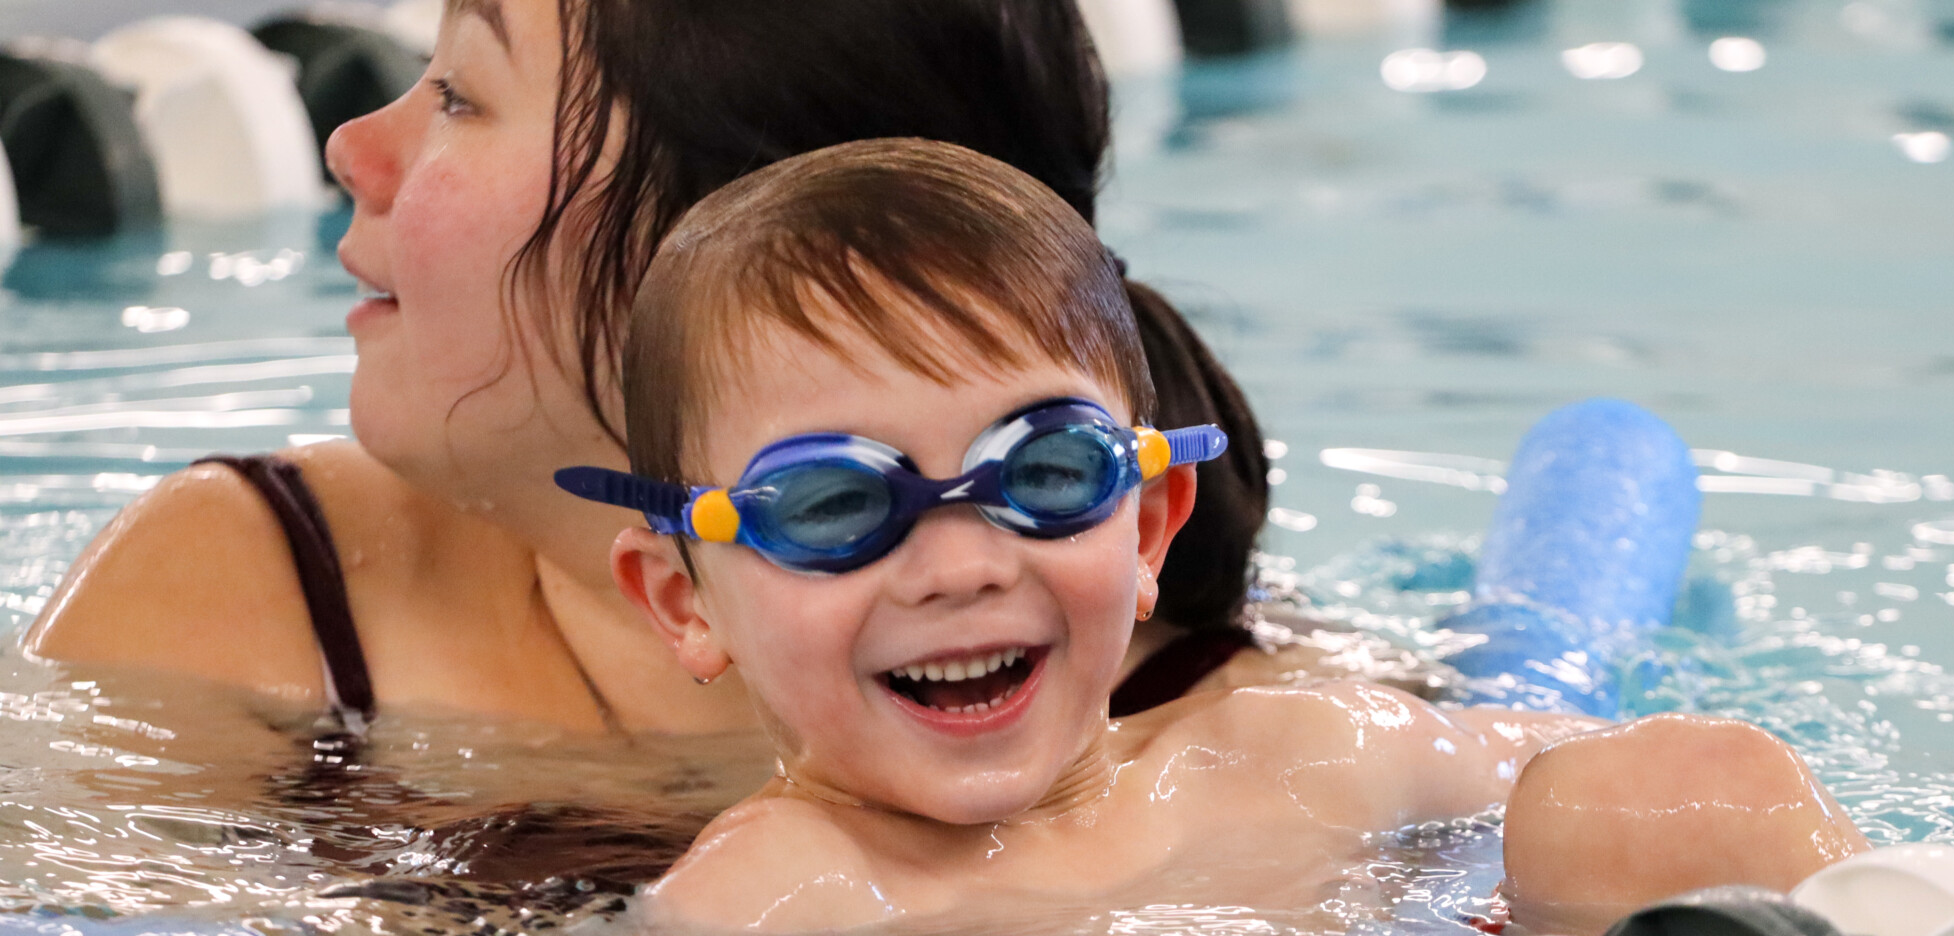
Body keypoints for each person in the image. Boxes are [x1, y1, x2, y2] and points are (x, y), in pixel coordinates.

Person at [578, 138, 1870, 936]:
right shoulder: (780, 890)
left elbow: (1575, 754)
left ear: (1148, 530)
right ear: (684, 601)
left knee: (1673, 784)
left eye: (1047, 475)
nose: (964, 565)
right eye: (835, 506)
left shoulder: (1291, 755)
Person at [23, 0, 1276, 735]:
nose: (354, 147)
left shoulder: (1224, 748)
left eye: (459, 96)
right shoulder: (248, 603)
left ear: (751, 249)